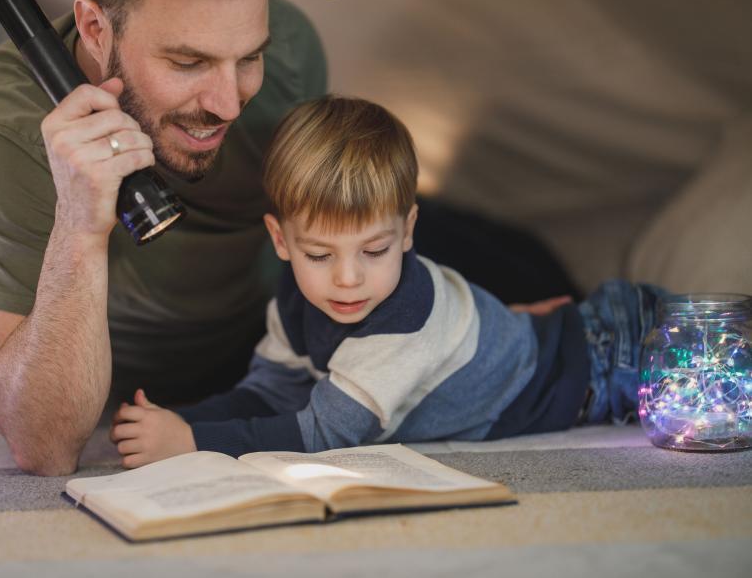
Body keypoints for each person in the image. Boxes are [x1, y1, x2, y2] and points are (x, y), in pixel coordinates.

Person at [0, 0, 326, 476]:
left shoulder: (288, 51)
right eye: (188, 62)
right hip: (120, 403)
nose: (227, 104)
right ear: (96, 29)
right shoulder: (0, 134)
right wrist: (79, 222)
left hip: (275, 361)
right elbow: (44, 445)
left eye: (248, 59)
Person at [109, 96, 665, 468]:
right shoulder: (294, 296)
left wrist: (194, 443)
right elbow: (272, 389)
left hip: (606, 363)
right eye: (320, 253)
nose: (348, 279)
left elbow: (325, 435)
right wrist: (183, 418)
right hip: (577, 336)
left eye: (373, 250)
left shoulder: (405, 321)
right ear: (281, 242)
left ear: (407, 232)